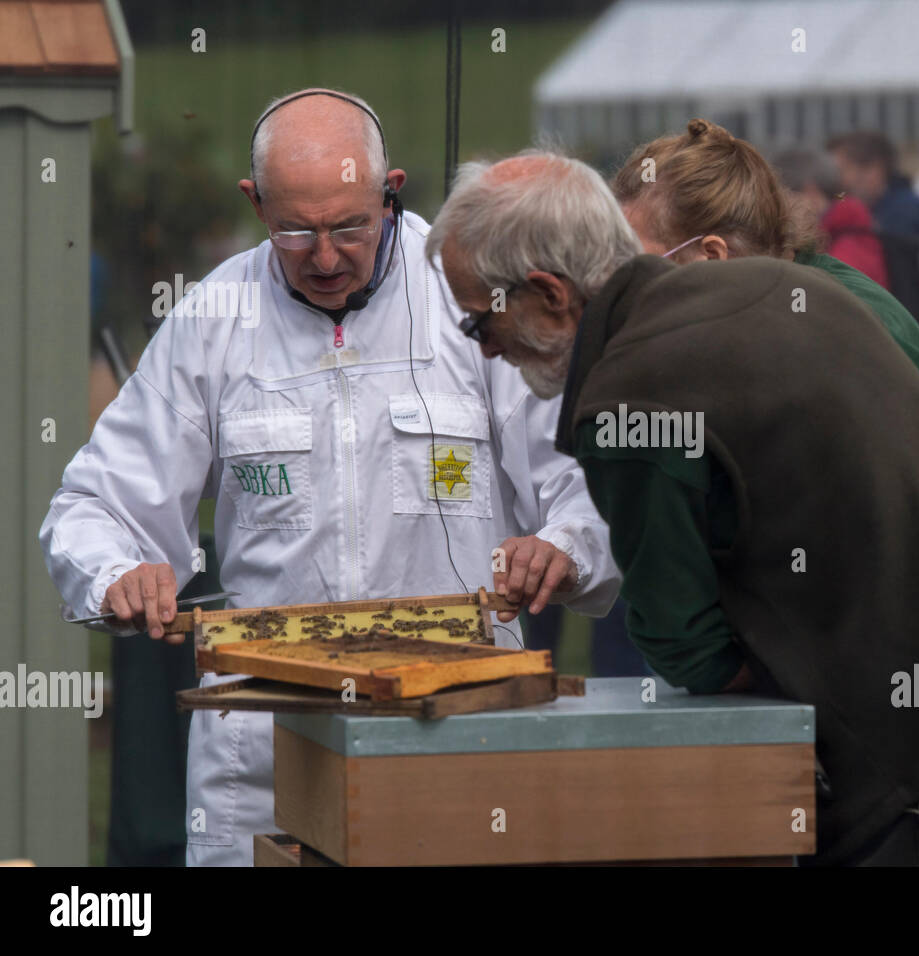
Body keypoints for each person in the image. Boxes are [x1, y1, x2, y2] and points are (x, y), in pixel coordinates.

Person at [427, 149, 919, 866]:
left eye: (481, 323)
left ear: (549, 293)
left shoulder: (627, 391)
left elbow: (685, 645)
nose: (484, 352)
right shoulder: (791, 284)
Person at [39, 89, 620, 866]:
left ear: (393, 190)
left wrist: (565, 545)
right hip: (264, 755)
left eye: (350, 225)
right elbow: (93, 502)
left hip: (453, 731)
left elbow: (584, 480)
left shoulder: (467, 297)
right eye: (294, 230)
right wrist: (117, 573)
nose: (324, 255)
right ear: (253, 203)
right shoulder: (213, 320)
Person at [612, 119, 919, 498]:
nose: (620, 286)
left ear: (713, 257)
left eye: (636, 262)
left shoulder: (843, 318)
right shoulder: (747, 320)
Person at [828, 129, 919, 386]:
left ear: (873, 169)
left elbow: (905, 305)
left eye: (841, 170)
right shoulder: (911, 210)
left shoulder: (895, 222)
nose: (836, 183)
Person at [769, 146, 889, 288]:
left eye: (780, 198)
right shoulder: (841, 231)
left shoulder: (846, 246)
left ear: (810, 193)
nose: (775, 209)